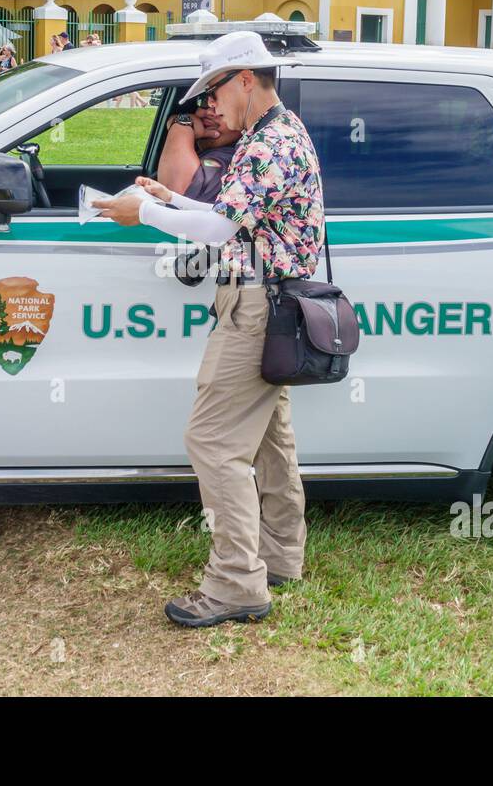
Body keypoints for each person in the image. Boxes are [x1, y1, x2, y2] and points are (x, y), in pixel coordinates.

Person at [93, 31, 324, 628]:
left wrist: (142, 212)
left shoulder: (269, 142)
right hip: (269, 306)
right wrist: (169, 197)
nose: (207, 108)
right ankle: (279, 556)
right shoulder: (276, 132)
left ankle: (236, 585)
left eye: (214, 91)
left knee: (213, 443)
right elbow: (233, 218)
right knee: (271, 442)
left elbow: (222, 233)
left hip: (256, 309)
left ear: (245, 77)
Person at [157, 103, 240, 199]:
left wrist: (182, 125)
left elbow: (176, 189)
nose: (209, 112)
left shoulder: (232, 159)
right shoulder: (200, 150)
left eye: (225, 105)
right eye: (204, 101)